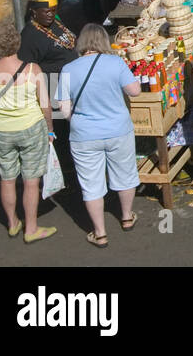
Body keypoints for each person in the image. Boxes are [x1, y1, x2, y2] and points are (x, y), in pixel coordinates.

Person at [53, 24, 142, 248]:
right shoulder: (115, 62)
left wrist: (79, 122)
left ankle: (100, 233)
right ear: (103, 40)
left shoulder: (67, 69)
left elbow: (63, 107)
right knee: (125, 174)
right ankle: (127, 217)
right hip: (118, 129)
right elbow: (134, 91)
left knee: (91, 184)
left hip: (84, 135)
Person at [0, 22, 56, 242]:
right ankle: (31, 228)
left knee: (7, 179)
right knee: (31, 181)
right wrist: (50, 129)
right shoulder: (32, 69)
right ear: (17, 42)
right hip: (31, 127)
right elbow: (45, 104)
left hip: (1, 130)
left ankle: (13, 223)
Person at [18, 0, 78, 77]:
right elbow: (27, 71)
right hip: (55, 83)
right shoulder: (29, 36)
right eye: (47, 12)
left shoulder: (55, 22)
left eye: (53, 11)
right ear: (35, 12)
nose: (51, 15)